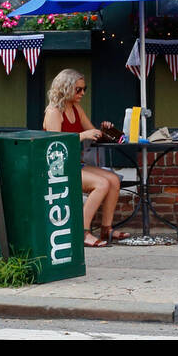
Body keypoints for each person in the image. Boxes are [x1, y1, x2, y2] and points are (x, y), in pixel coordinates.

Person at [42, 68, 130, 247]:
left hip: (74, 163)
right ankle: (82, 232)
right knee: (101, 184)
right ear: (65, 88)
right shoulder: (53, 112)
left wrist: (105, 130)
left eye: (84, 89)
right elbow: (55, 146)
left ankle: (107, 229)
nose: (82, 93)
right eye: (78, 89)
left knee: (113, 179)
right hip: (57, 168)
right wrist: (83, 135)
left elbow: (93, 133)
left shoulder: (76, 108)